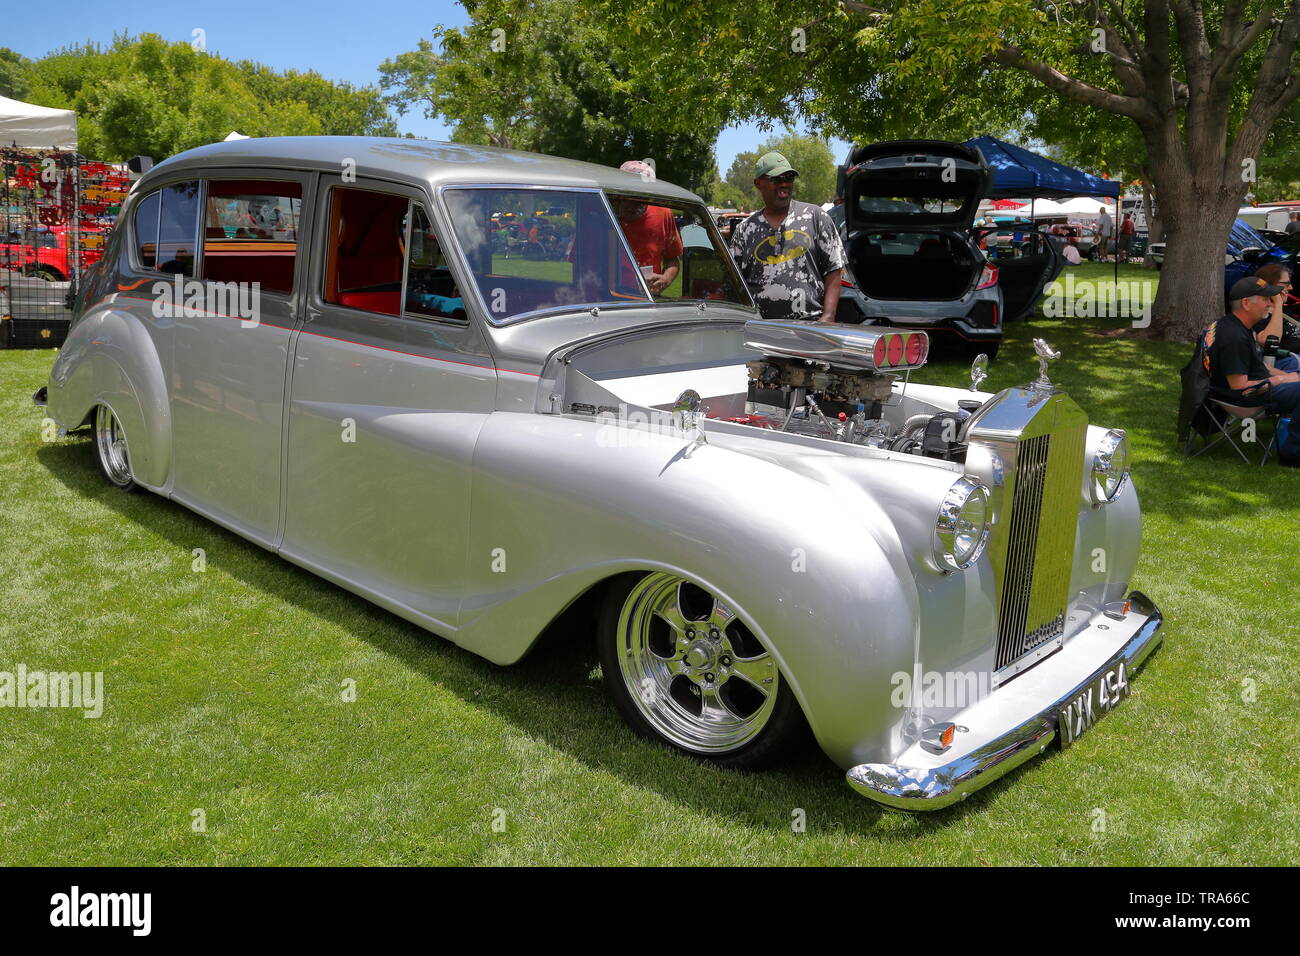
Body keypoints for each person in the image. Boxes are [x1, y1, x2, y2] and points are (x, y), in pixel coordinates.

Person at [728, 151, 846, 322]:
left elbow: (834, 268)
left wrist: (828, 316)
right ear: (758, 183)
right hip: (760, 329)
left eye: (789, 178)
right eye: (776, 179)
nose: (784, 184)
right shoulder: (745, 229)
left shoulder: (815, 217)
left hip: (808, 327)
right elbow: (735, 282)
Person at [1203, 276, 1300, 416]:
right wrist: (1282, 380)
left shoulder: (1234, 325)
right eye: (1265, 299)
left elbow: (1259, 365)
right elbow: (1240, 389)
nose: (1270, 304)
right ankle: (1293, 437)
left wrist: (1291, 376)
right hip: (1247, 401)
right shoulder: (1233, 337)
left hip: (1260, 388)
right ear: (1246, 303)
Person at [614, 160, 682, 295]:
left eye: (641, 198)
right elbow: (580, 263)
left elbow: (673, 259)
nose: (633, 203)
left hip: (647, 300)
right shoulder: (600, 212)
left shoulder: (663, 213)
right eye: (628, 196)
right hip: (604, 302)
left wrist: (665, 279)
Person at [1251, 262, 1300, 359]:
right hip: (1287, 362)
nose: (1291, 288)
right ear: (1271, 285)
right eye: (1286, 284)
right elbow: (1267, 340)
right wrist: (1277, 303)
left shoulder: (1284, 309)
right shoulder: (1261, 312)